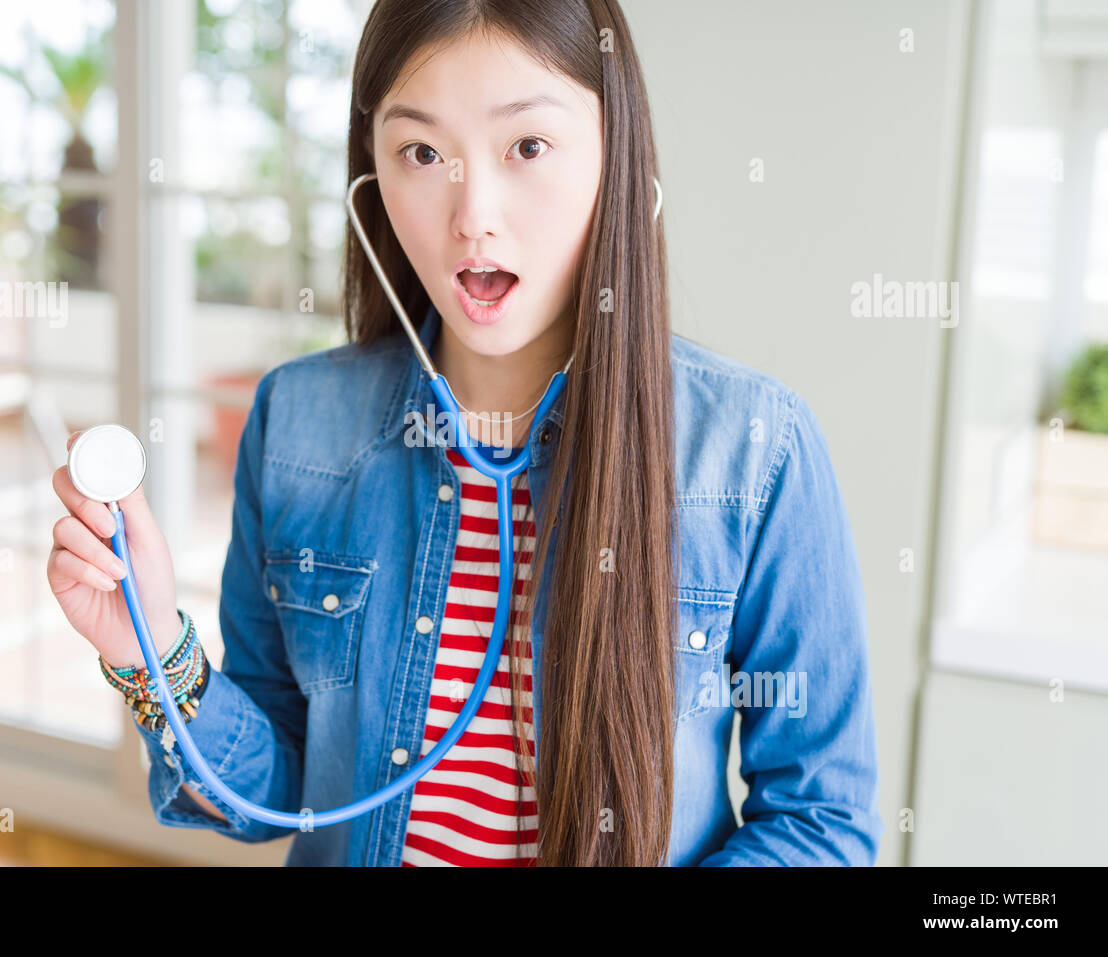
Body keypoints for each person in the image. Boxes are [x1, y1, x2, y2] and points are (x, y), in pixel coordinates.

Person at [47, 0, 881, 867]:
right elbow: (270, 797)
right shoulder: (296, 422)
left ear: (615, 159)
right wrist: (147, 646)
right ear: (370, 172)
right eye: (422, 152)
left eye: (527, 146)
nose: (472, 214)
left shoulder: (755, 448)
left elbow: (823, 824)